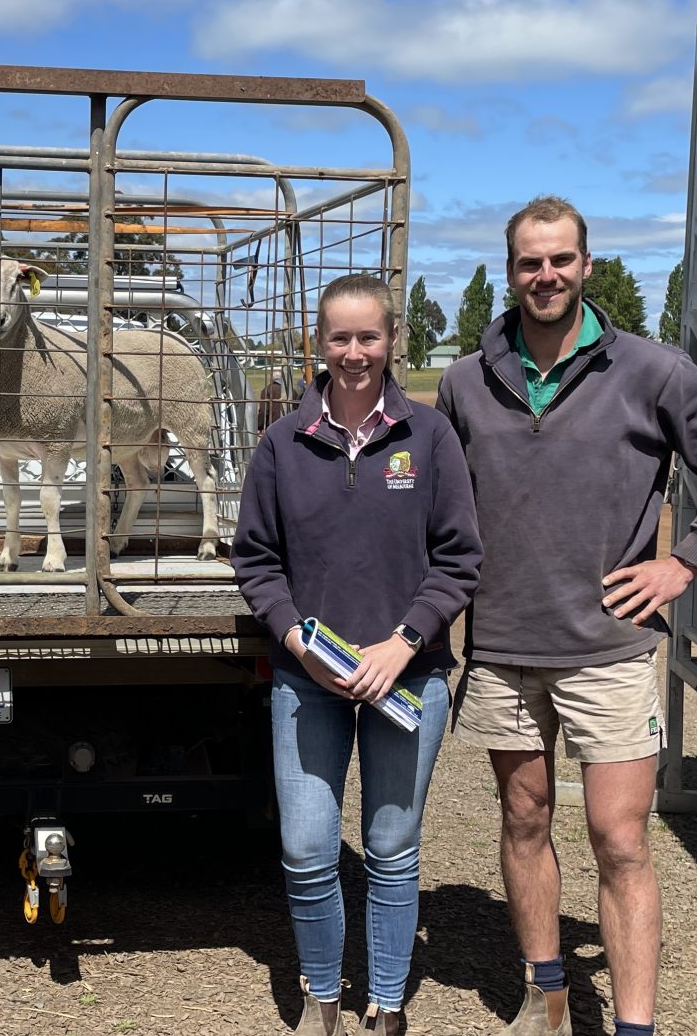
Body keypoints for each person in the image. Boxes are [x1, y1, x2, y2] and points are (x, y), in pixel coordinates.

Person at [435, 197, 697, 1036]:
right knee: (524, 820)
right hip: (505, 646)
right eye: (528, 262)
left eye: (560, 260)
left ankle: (633, 1026)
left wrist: (682, 561)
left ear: (587, 265)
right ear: (510, 271)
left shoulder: (651, 372)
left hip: (609, 648)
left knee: (618, 838)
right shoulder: (462, 381)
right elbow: (433, 504)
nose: (544, 275)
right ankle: (546, 994)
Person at [234, 273, 483, 1036]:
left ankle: (385, 1001)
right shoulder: (283, 441)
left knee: (390, 844)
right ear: (319, 341)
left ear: (392, 340)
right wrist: (292, 635)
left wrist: (404, 640)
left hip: (407, 679)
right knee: (307, 845)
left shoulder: (430, 436)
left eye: (368, 336)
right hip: (307, 680)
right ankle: (321, 996)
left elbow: (459, 558)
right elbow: (256, 559)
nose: (353, 352)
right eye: (339, 337)